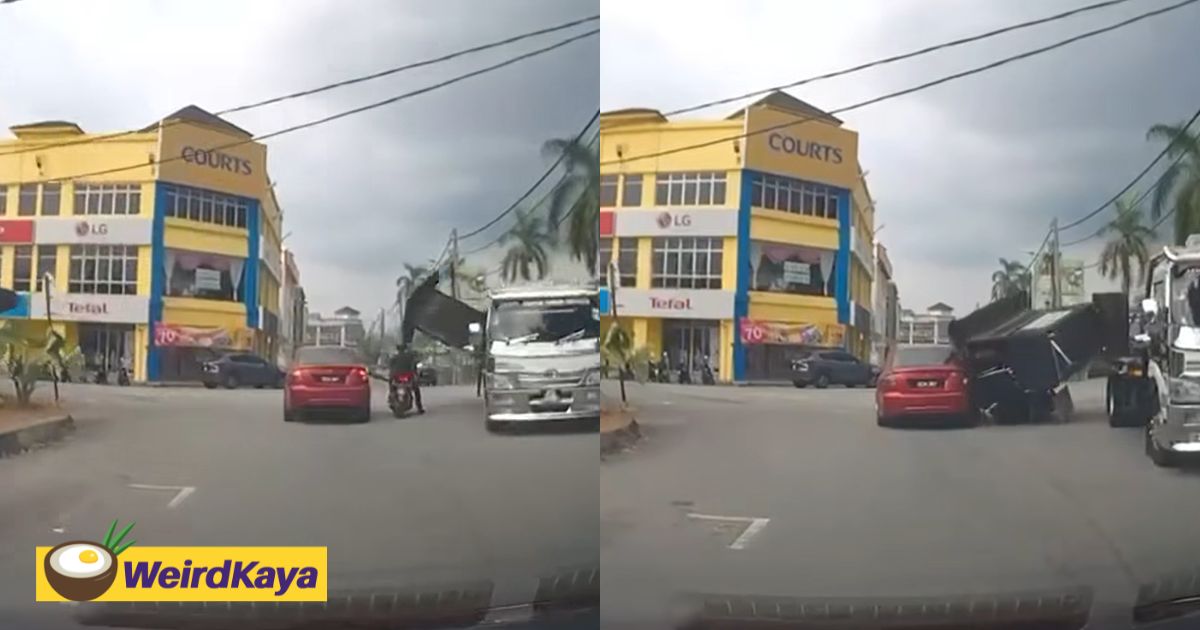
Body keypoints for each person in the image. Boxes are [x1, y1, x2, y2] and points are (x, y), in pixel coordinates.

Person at [388, 343, 425, 413]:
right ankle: (419, 407)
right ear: (405, 349)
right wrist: (415, 374)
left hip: (396, 377)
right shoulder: (410, 357)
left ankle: (391, 400)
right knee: (416, 390)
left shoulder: (394, 357)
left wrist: (391, 375)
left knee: (391, 387)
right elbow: (413, 367)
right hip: (408, 376)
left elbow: (390, 367)